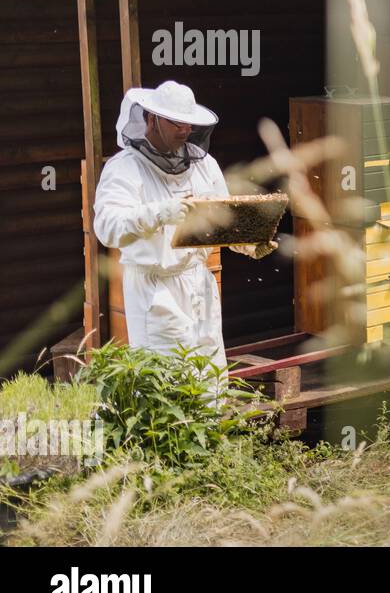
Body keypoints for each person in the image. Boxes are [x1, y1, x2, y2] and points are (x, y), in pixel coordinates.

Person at [93, 81, 276, 376]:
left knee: (210, 379)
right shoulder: (123, 168)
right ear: (152, 120)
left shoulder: (204, 165)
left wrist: (249, 243)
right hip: (156, 289)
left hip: (199, 284)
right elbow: (107, 227)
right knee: (169, 383)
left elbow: (223, 218)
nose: (186, 131)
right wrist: (162, 213)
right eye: (177, 124)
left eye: (189, 124)